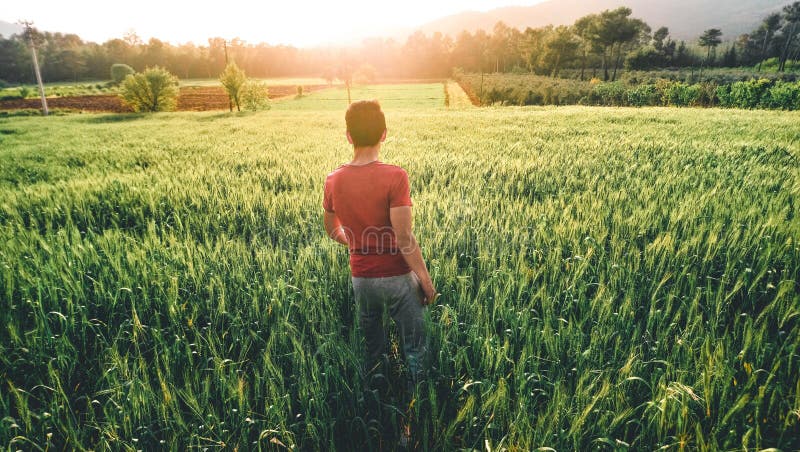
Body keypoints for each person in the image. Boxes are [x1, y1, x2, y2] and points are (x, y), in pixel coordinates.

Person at [322, 100, 437, 395]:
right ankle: (416, 409)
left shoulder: (333, 180)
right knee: (414, 347)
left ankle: (374, 403)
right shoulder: (394, 176)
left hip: (361, 279)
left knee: (372, 348)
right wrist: (424, 280)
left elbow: (331, 230)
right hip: (398, 278)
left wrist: (358, 243)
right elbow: (404, 239)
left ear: (348, 136)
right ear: (384, 134)